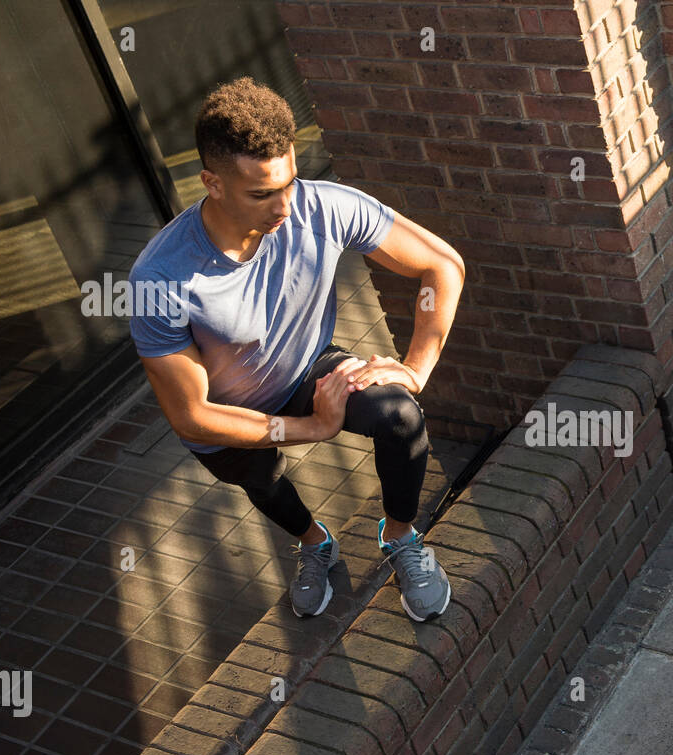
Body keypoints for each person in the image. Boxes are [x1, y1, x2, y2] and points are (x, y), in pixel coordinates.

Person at [127, 77, 462, 621]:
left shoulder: (320, 207)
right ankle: (314, 543)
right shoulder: (161, 278)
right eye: (260, 193)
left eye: (289, 181)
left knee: (399, 414)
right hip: (227, 413)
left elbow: (440, 265)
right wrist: (311, 429)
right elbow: (191, 418)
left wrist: (416, 368)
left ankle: (399, 536)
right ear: (212, 183)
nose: (284, 205)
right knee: (263, 479)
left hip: (308, 369)